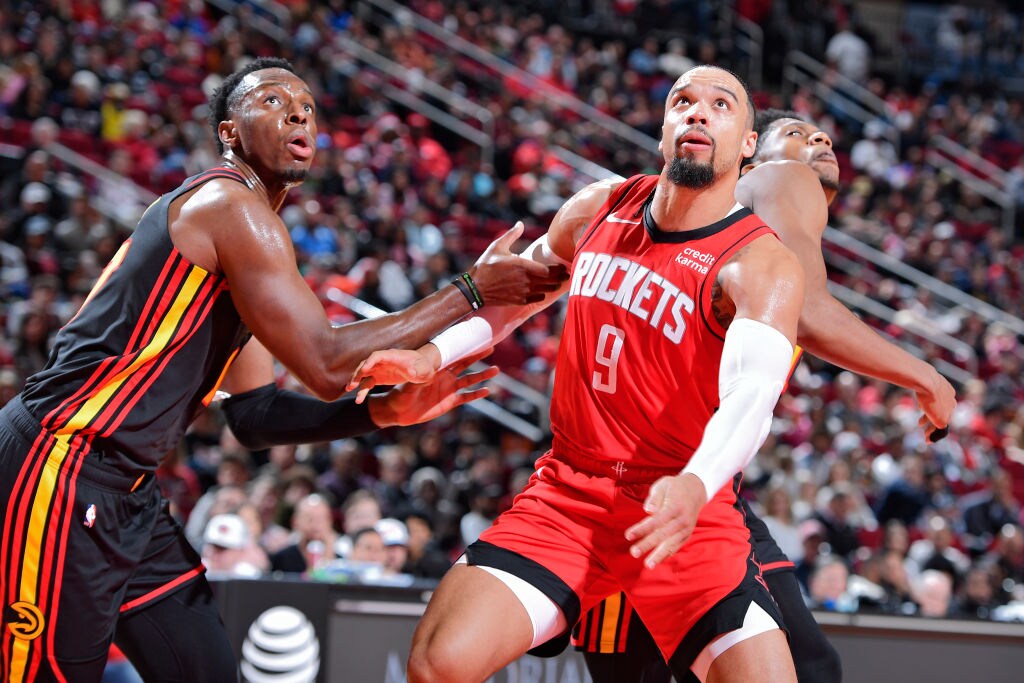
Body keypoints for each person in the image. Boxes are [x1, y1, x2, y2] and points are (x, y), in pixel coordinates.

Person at [0, 57, 564, 682]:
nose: (298, 112)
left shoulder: (247, 240)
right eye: (271, 100)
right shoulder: (228, 206)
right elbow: (324, 364)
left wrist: (382, 410)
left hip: (126, 491)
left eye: (307, 107)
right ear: (229, 131)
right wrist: (469, 290)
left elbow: (255, 415)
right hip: (59, 468)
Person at [353, 106, 959, 682]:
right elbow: (814, 318)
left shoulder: (766, 245)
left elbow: (765, 371)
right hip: (618, 483)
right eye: (797, 133)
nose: (818, 144)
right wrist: (923, 375)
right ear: (752, 152)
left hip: (693, 483)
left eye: (824, 138)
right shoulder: (779, 186)